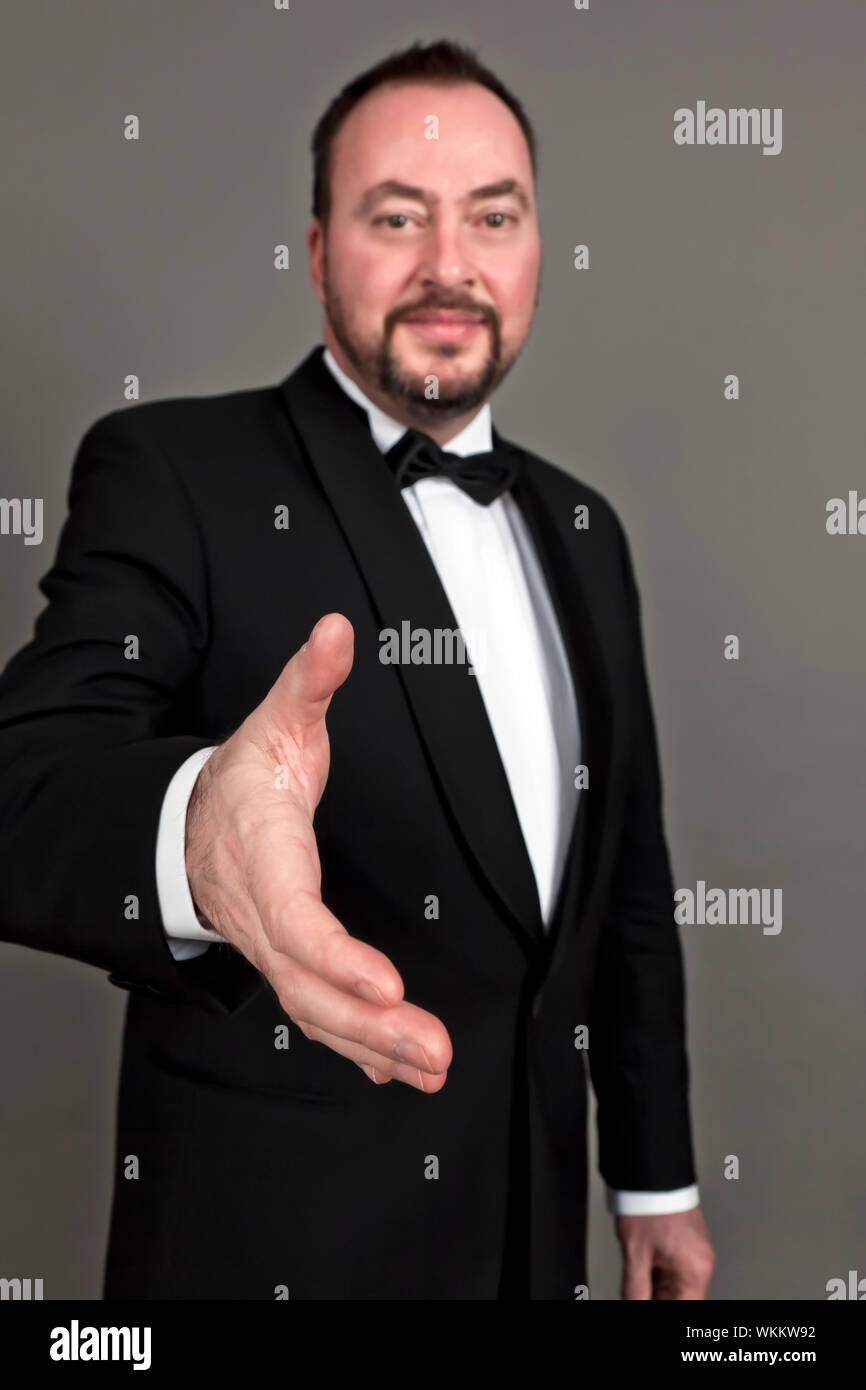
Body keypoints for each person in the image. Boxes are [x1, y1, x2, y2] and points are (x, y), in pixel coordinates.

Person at [0, 39, 714, 1300]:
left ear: (537, 244)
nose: (451, 264)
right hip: (269, 1250)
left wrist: (651, 1181)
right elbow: (26, 784)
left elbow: (630, 889)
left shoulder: (584, 525)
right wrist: (193, 839)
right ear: (318, 247)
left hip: (533, 1244)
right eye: (398, 215)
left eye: (491, 216)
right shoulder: (175, 473)